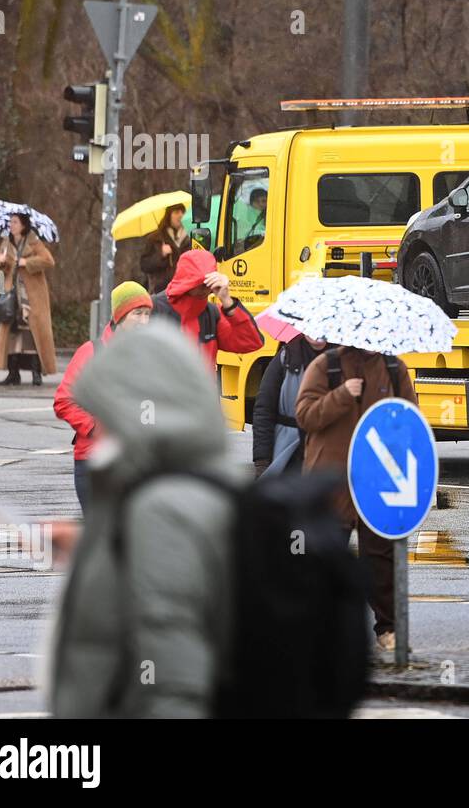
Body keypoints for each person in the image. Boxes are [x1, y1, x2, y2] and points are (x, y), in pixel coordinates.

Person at [49, 322, 238, 717]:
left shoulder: (161, 510)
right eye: (135, 312)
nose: (141, 318)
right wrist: (88, 552)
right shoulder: (145, 493)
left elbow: (173, 668)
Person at [296, 344, 418, 653]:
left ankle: (388, 629)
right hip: (331, 480)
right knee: (326, 558)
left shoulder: (394, 368)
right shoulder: (327, 366)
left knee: (381, 556)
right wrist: (341, 396)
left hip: (378, 482)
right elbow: (305, 415)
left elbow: (411, 421)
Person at [52, 282, 154, 512]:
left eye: (147, 314)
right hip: (95, 463)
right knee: (104, 540)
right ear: (119, 316)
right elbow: (64, 401)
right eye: (137, 313)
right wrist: (96, 427)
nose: (144, 321)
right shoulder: (92, 352)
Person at [150, 248, 263, 370]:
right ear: (186, 281)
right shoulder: (155, 308)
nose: (206, 289)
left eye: (209, 284)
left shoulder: (212, 313)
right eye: (201, 284)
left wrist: (227, 300)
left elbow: (251, 342)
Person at [0, 213, 57, 386]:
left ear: (23, 225)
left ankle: (37, 373)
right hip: (11, 295)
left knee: (32, 334)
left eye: (15, 222)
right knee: (13, 333)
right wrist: (0, 263)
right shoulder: (6, 243)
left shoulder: (34, 242)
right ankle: (13, 373)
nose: (11, 225)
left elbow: (49, 261)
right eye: (10, 222)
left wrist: (26, 262)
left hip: (32, 296)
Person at [252, 335, 327, 479]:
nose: (317, 335)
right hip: (288, 451)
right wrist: (262, 460)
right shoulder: (286, 357)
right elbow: (264, 410)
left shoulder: (343, 360)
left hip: (326, 449)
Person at [140, 203, 189, 294]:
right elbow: (144, 265)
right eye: (176, 212)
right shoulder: (155, 238)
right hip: (160, 291)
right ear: (169, 215)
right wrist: (160, 254)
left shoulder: (190, 237)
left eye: (183, 212)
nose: (180, 215)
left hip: (184, 290)